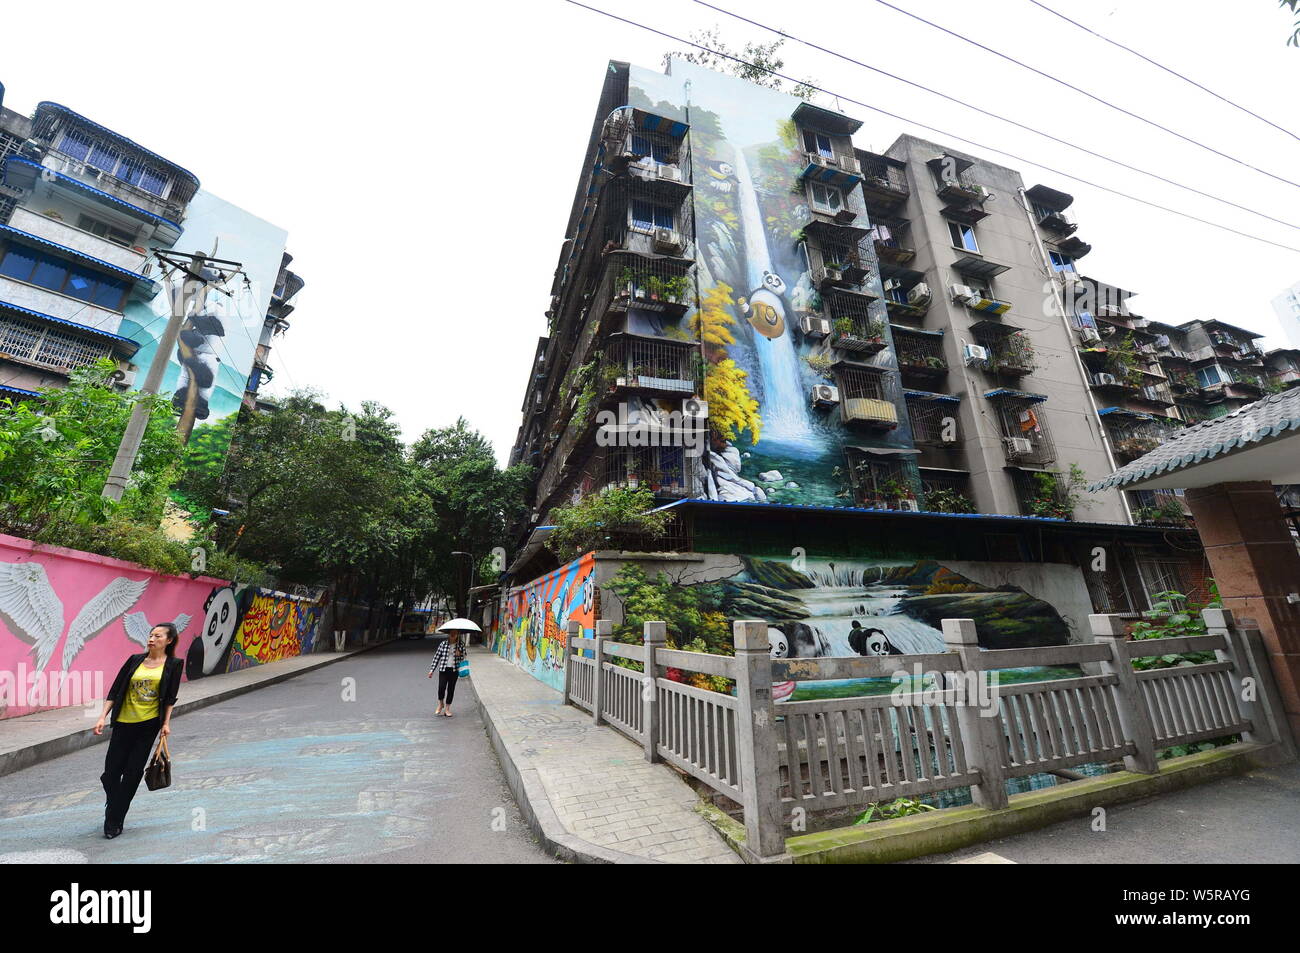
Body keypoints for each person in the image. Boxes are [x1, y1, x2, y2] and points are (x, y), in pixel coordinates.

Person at [93, 623, 183, 839]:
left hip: (148, 725)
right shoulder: (135, 660)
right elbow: (115, 690)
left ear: (169, 641)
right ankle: (114, 805)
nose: (152, 639)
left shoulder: (174, 665)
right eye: (151, 635)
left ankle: (114, 821)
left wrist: (166, 723)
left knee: (132, 773)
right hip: (123, 723)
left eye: (158, 636)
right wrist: (102, 716)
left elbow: (170, 697)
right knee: (110, 774)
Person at [427, 633, 466, 717]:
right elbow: (436, 657)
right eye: (451, 633)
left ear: (457, 635)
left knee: (451, 689)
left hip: (454, 670)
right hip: (443, 670)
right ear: (449, 634)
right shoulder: (443, 644)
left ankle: (447, 709)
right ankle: (441, 704)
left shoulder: (461, 645)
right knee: (441, 687)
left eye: (454, 633)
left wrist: (460, 654)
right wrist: (432, 670)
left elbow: (464, 657)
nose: (453, 635)